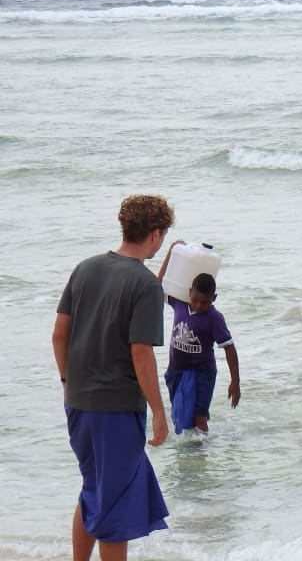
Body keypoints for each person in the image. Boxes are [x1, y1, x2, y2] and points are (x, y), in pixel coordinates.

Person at [51, 194, 174, 561]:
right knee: (114, 506)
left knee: (94, 489)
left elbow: (59, 334)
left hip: (78, 402)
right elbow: (141, 352)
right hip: (116, 408)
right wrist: (159, 411)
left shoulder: (86, 268)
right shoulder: (145, 284)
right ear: (155, 234)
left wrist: (68, 382)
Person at [156, 241, 240, 434]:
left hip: (203, 373)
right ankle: (186, 451)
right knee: (180, 416)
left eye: (205, 301)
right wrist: (171, 253)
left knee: (198, 418)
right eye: (195, 300)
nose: (199, 305)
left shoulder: (214, 318)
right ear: (189, 293)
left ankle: (203, 451)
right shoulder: (179, 303)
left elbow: (229, 348)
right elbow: (156, 286)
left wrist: (235, 382)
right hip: (175, 371)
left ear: (214, 298)